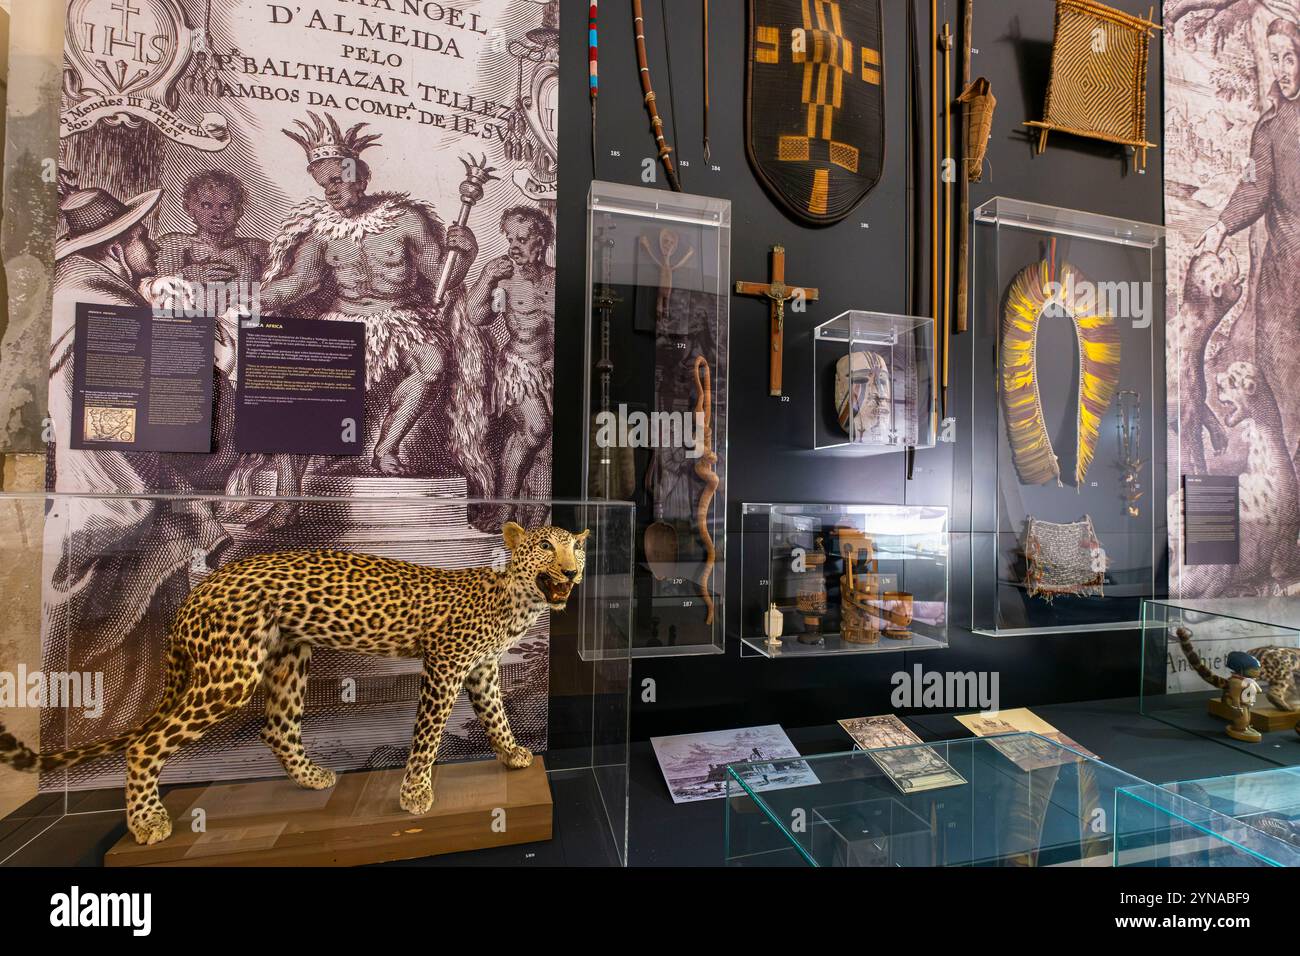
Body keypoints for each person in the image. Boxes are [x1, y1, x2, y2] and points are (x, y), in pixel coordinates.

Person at [262, 112, 490, 490]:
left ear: (362, 178)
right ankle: (292, 487)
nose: (331, 190)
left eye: (338, 179)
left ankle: (386, 447)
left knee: (431, 362)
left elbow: (440, 278)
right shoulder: (320, 232)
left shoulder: (407, 219)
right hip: (344, 319)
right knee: (300, 372)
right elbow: (296, 284)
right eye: (324, 185)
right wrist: (240, 297)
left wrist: (465, 253)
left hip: (399, 318)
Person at [1196, 17, 1300, 436]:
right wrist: (1221, 227)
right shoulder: (1271, 126)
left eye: (1289, 57)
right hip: (1284, 271)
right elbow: (1255, 190)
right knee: (1278, 366)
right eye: (1275, 59)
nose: (1282, 69)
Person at [465, 205, 555, 505]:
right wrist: (486, 278)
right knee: (536, 428)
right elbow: (476, 316)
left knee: (546, 450)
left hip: (552, 370)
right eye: (510, 239)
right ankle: (503, 509)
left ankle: (531, 519)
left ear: (540, 241)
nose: (514, 247)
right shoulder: (502, 276)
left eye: (522, 239)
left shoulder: (558, 279)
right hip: (518, 369)